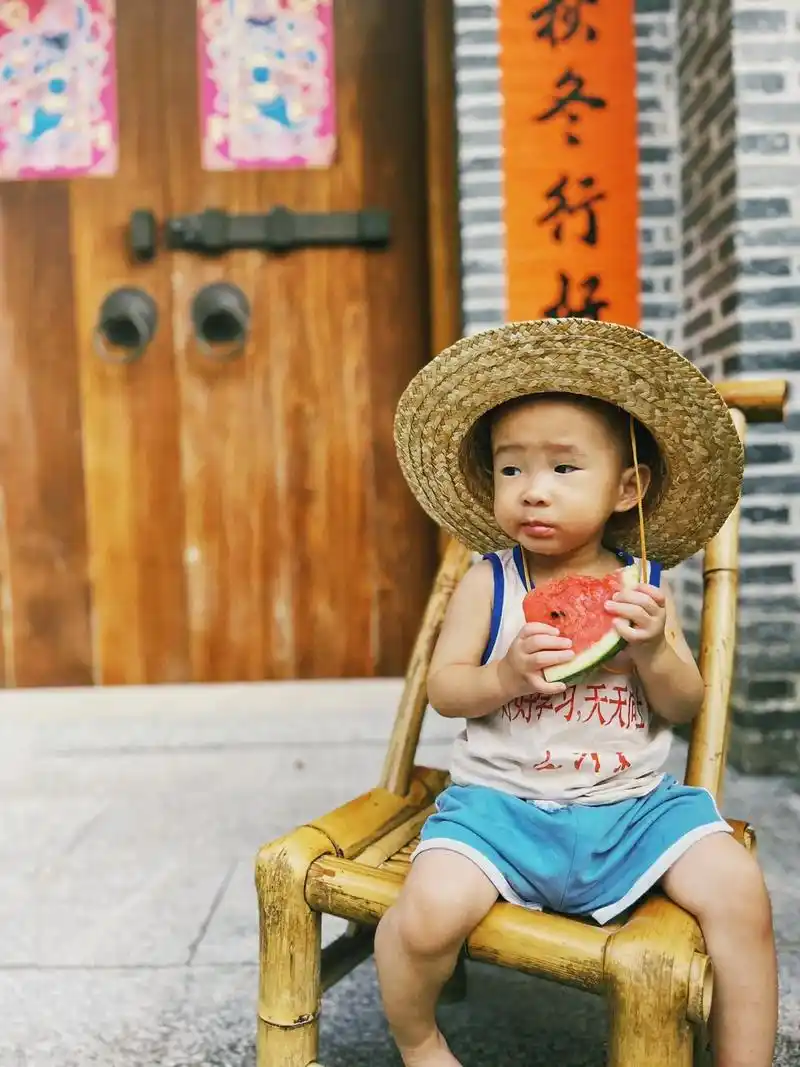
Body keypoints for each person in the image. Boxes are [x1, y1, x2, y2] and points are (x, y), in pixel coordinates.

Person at [377, 318, 778, 1067]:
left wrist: (655, 646)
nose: (532, 491)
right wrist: (501, 676)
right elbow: (444, 687)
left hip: (631, 809)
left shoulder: (642, 587)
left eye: (564, 469)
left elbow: (684, 703)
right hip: (501, 810)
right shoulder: (489, 582)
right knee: (425, 913)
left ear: (628, 487)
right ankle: (419, 1037)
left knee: (740, 891)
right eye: (510, 470)